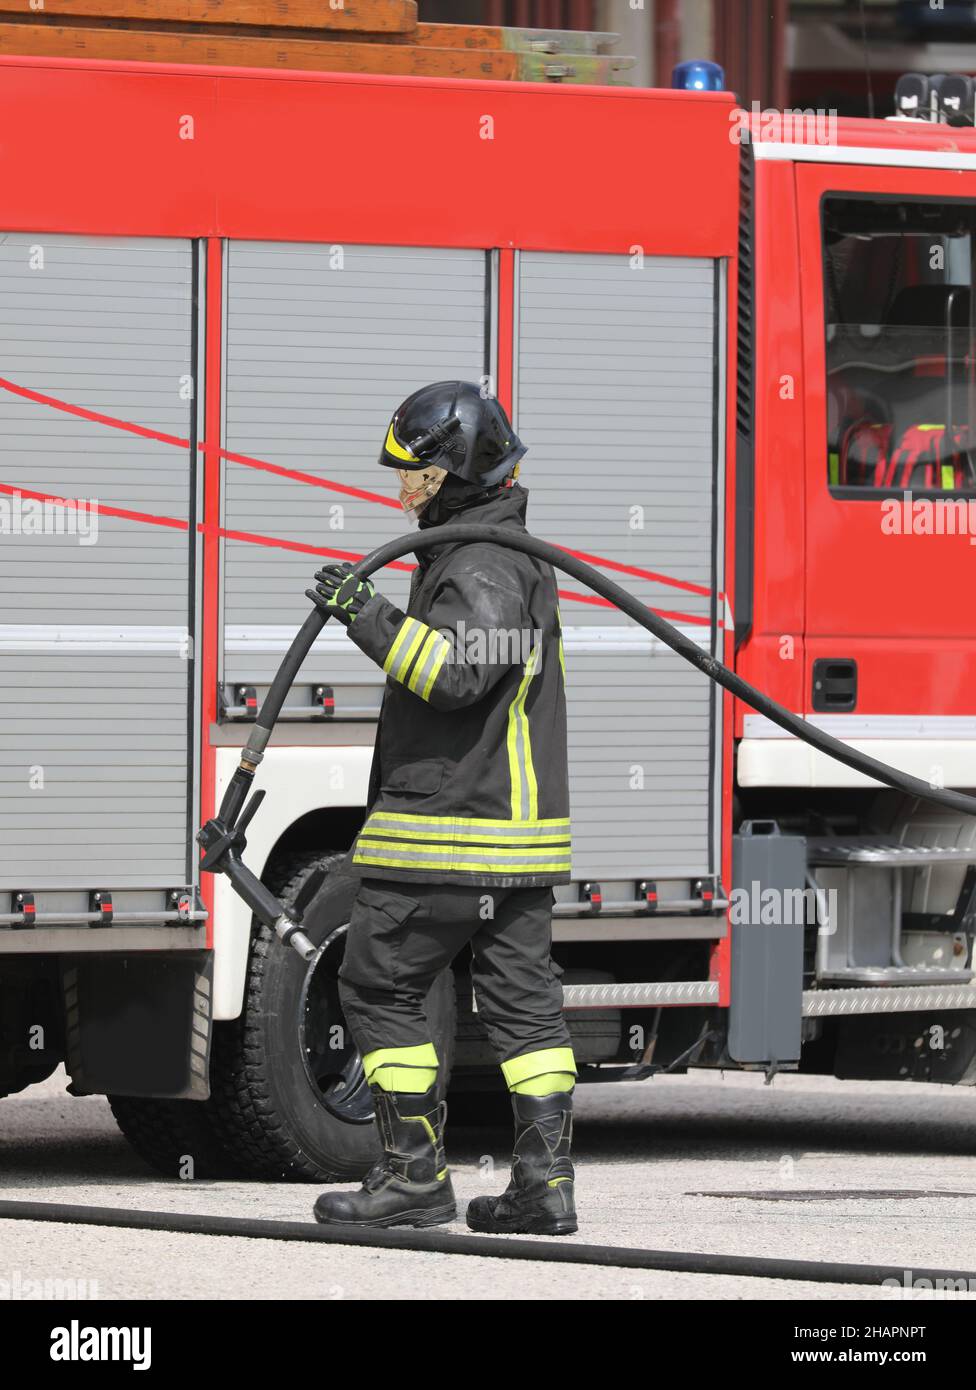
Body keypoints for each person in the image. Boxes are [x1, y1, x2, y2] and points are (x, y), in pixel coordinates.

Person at [309, 381, 577, 1236]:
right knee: (525, 1011)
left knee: (379, 983)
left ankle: (412, 1177)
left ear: (457, 472)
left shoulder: (485, 563)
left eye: (415, 477)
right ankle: (543, 1188)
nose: (403, 494)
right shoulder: (492, 554)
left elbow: (456, 673)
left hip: (449, 834)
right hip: (512, 846)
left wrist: (365, 615)